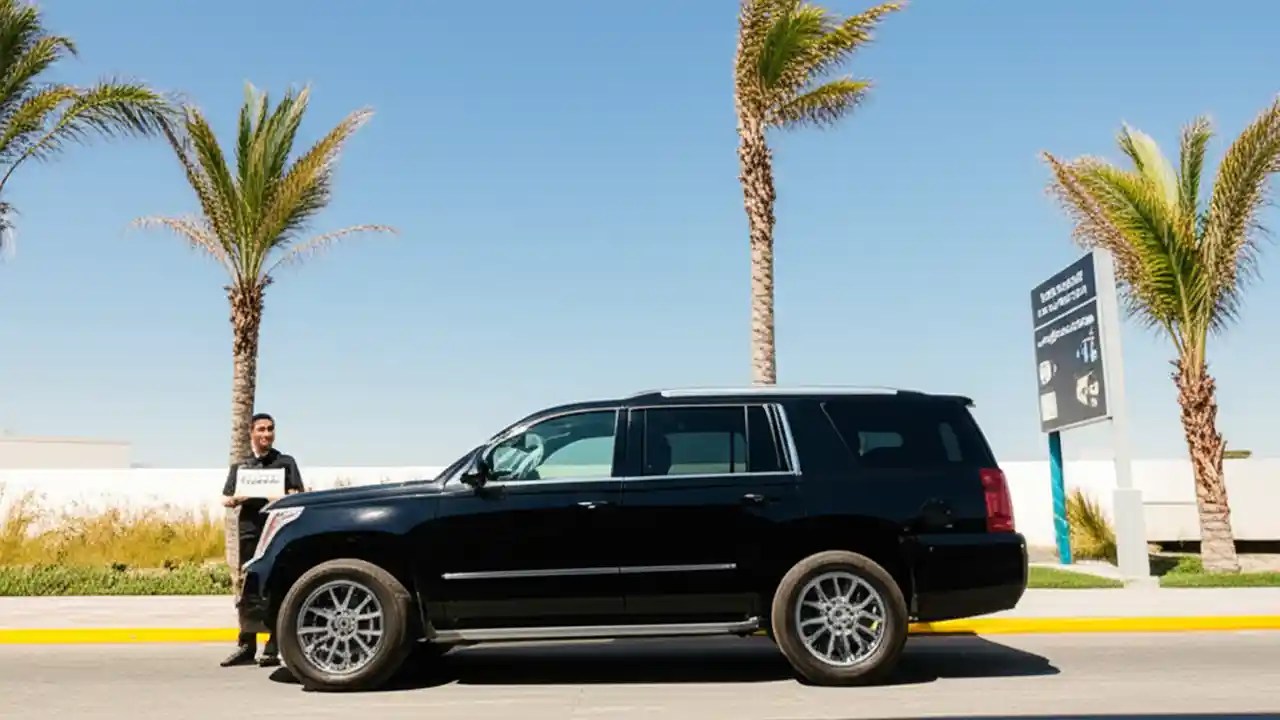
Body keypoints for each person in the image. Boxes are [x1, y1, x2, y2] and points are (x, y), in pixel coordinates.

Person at [219, 412, 306, 668]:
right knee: (247, 587)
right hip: (248, 531)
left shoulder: (285, 462)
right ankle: (246, 645)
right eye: (261, 429)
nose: (266, 434)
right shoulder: (242, 466)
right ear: (251, 433)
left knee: (274, 583)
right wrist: (238, 498)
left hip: (276, 531)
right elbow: (226, 497)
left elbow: (297, 493)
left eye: (270, 429)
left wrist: (278, 497)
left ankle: (273, 645)